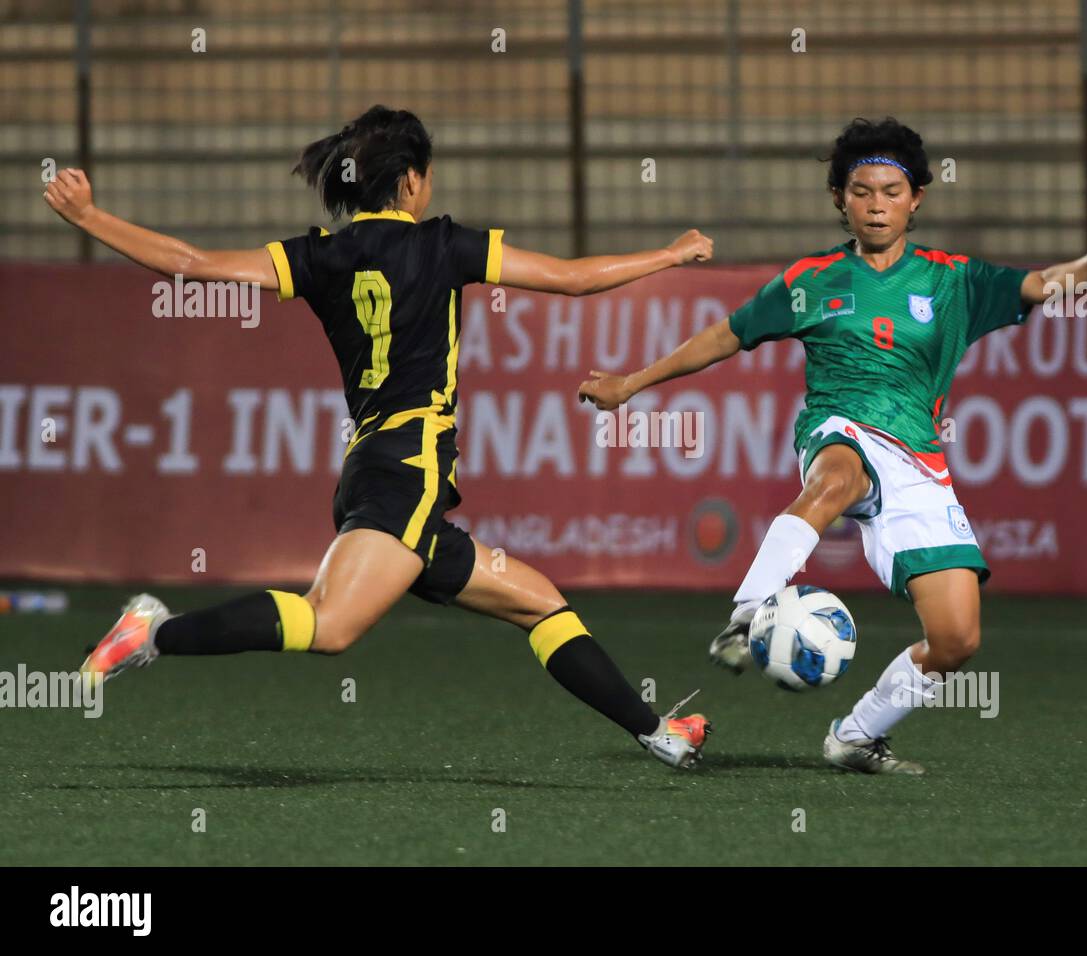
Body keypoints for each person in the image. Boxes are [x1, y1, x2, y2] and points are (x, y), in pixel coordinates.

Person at [49, 105, 715, 769]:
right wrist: (671, 252)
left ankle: (657, 730)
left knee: (541, 605)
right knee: (330, 625)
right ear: (409, 182)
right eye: (427, 176)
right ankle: (154, 632)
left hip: (373, 466)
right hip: (410, 469)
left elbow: (191, 264)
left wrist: (89, 218)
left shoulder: (320, 256)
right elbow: (572, 280)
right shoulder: (444, 244)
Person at [579, 116, 1087, 774]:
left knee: (957, 640)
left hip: (917, 464)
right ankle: (747, 613)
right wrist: (632, 383)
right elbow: (725, 336)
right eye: (861, 191)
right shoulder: (812, 280)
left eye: (890, 191)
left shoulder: (951, 280)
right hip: (838, 429)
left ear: (917, 200)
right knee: (836, 480)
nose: (876, 204)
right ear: (839, 200)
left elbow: (1043, 285)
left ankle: (855, 735)